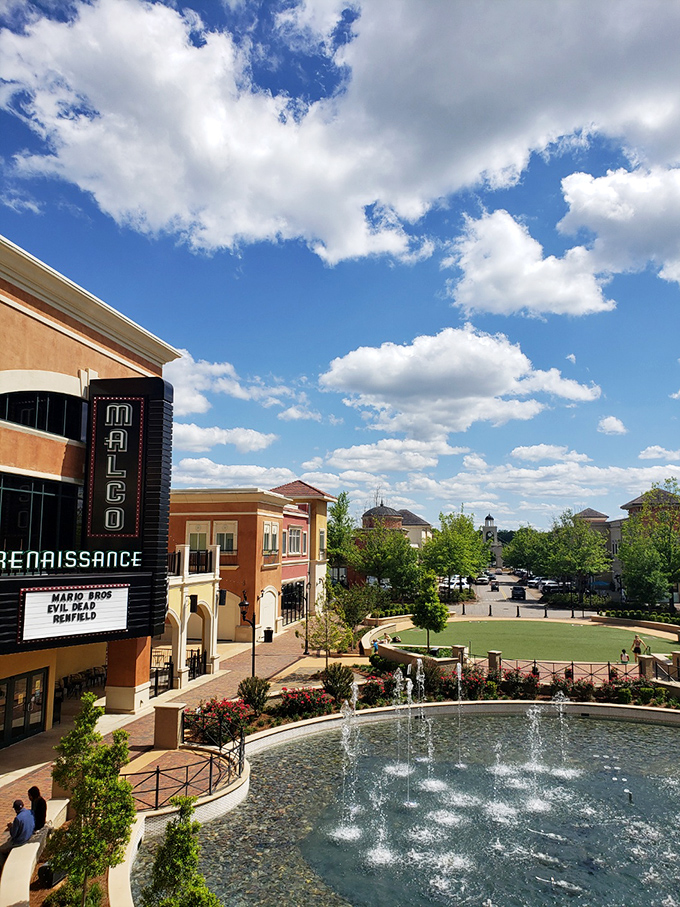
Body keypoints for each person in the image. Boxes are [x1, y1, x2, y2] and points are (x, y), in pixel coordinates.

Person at [0, 799, 35, 867]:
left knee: (1, 850)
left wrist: (10, 827)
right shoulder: (30, 812)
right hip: (29, 835)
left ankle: (2, 866)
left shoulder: (18, 819)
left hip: (20, 841)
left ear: (15, 809)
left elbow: (13, 834)